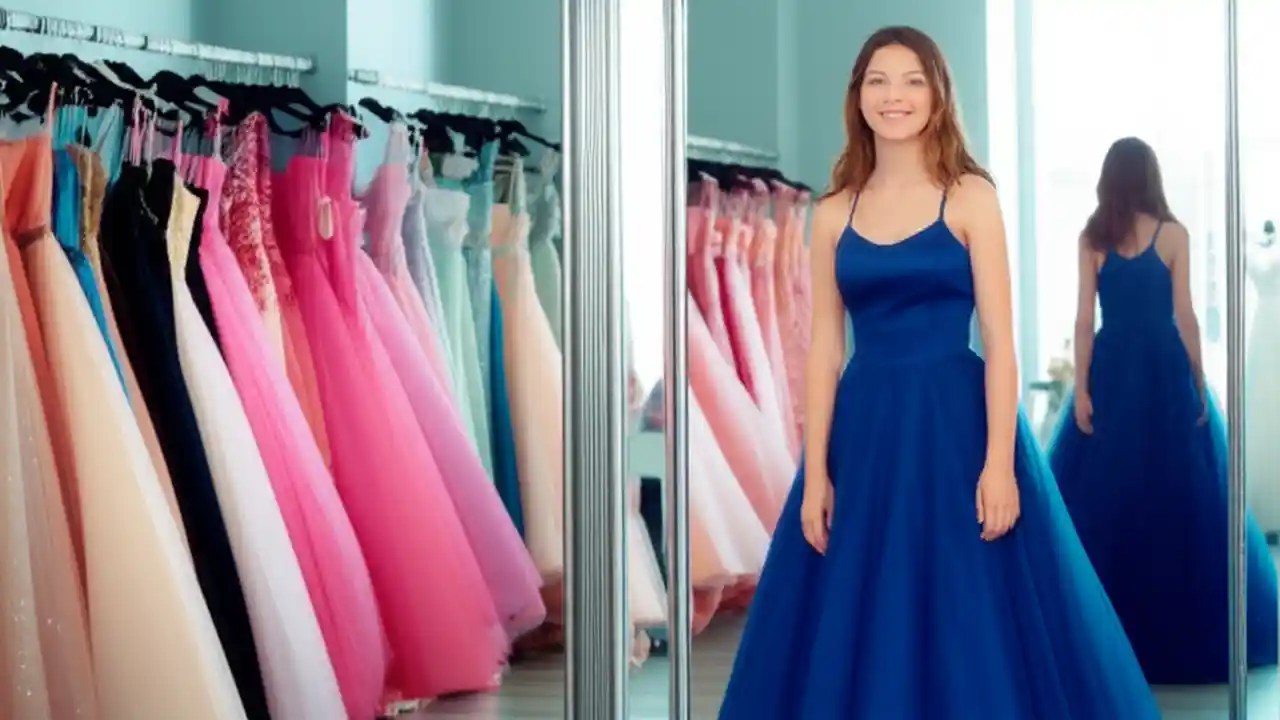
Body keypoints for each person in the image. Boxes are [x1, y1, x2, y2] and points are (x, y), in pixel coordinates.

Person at [717, 26, 1161, 719]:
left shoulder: (971, 196)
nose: (895, 96)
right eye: (878, 81)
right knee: (862, 607)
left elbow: (1001, 342)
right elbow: (824, 350)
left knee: (967, 605)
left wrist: (999, 465)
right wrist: (815, 473)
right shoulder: (834, 212)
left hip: (957, 427)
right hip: (864, 433)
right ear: (858, 97)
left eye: (912, 81)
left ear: (937, 96)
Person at [1047, 136, 1279, 684]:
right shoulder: (1172, 234)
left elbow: (1084, 321)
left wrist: (1081, 389)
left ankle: (1107, 636)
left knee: (1111, 497)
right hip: (1162, 371)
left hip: (1113, 368)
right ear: (1151, 177)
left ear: (1109, 178)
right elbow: (1185, 316)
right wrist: (1198, 380)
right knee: (1179, 496)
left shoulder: (1094, 237)